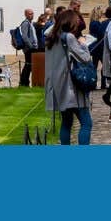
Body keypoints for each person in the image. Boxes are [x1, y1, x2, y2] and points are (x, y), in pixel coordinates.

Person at [44, 8, 94, 145]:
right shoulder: (69, 37)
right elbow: (85, 57)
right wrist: (83, 44)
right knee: (86, 122)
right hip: (71, 86)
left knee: (66, 122)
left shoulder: (51, 37)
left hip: (57, 85)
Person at [11, 8, 41, 87]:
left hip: (32, 48)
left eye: (32, 13)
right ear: (26, 15)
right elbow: (25, 36)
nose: (32, 15)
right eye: (30, 14)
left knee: (29, 65)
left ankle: (25, 81)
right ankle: (23, 82)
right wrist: (31, 46)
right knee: (28, 65)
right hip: (28, 49)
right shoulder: (25, 23)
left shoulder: (31, 23)